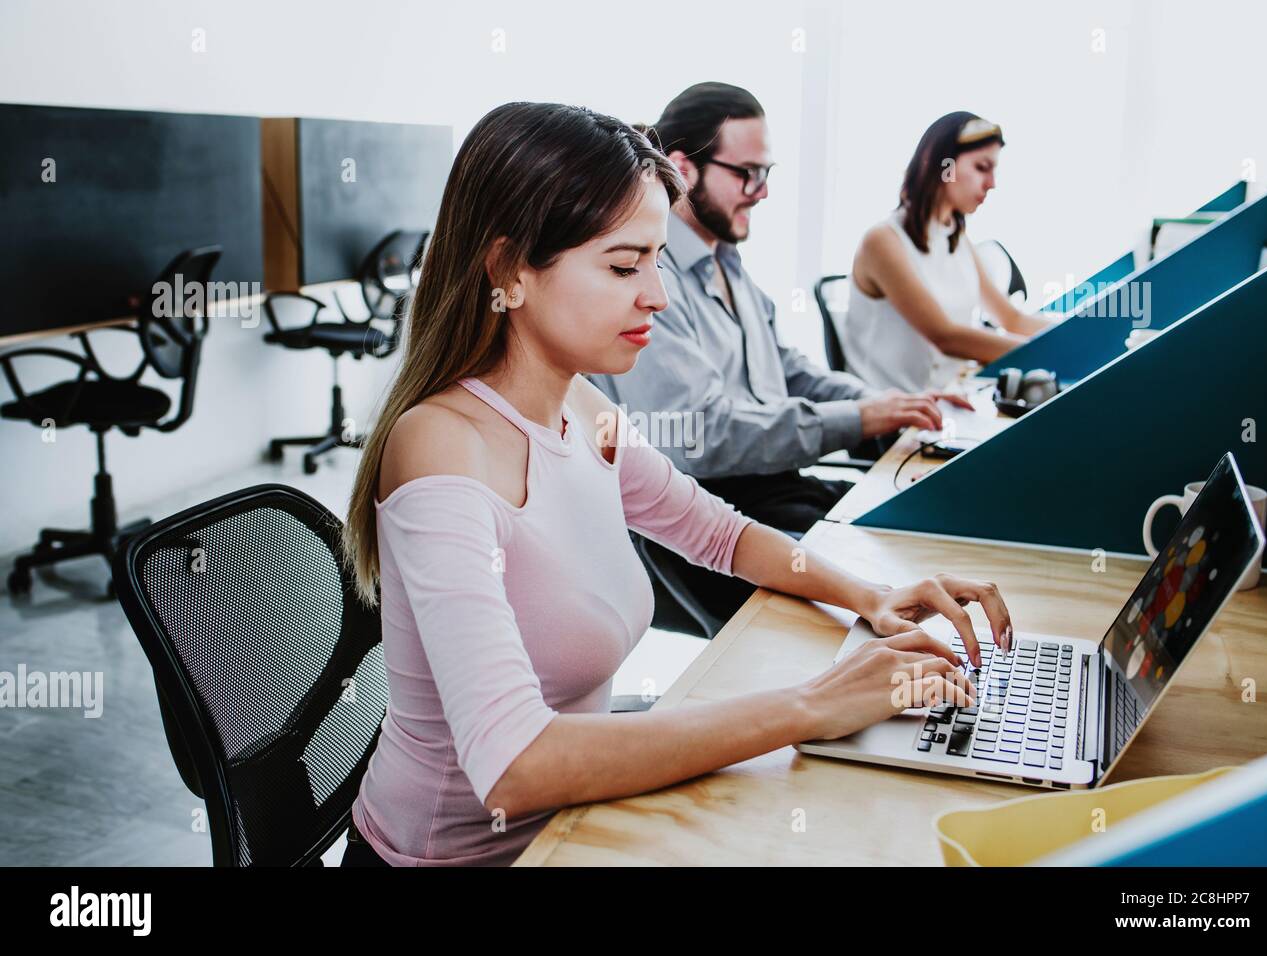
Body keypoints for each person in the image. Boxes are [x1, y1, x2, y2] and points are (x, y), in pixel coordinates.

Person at [339, 101, 1011, 867]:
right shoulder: (440, 449)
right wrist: (811, 706)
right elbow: (514, 765)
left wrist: (867, 595)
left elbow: (718, 533)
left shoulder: (581, 406)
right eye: (625, 266)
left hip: (576, 829)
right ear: (507, 271)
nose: (656, 295)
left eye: (657, 261)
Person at [592, 83, 971, 629]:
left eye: (767, 173)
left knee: (918, 532)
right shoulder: (653, 281)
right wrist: (859, 420)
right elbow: (701, 434)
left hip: (773, 488)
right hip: (706, 506)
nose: (762, 192)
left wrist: (885, 401)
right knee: (876, 592)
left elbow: (788, 368)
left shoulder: (726, 260)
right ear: (685, 168)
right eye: (748, 173)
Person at [839, 111, 1053, 393]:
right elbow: (945, 336)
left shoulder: (956, 236)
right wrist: (1046, 356)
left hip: (944, 400)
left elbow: (1011, 319)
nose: (992, 183)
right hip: (892, 416)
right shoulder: (882, 240)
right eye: (981, 167)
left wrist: (1069, 338)